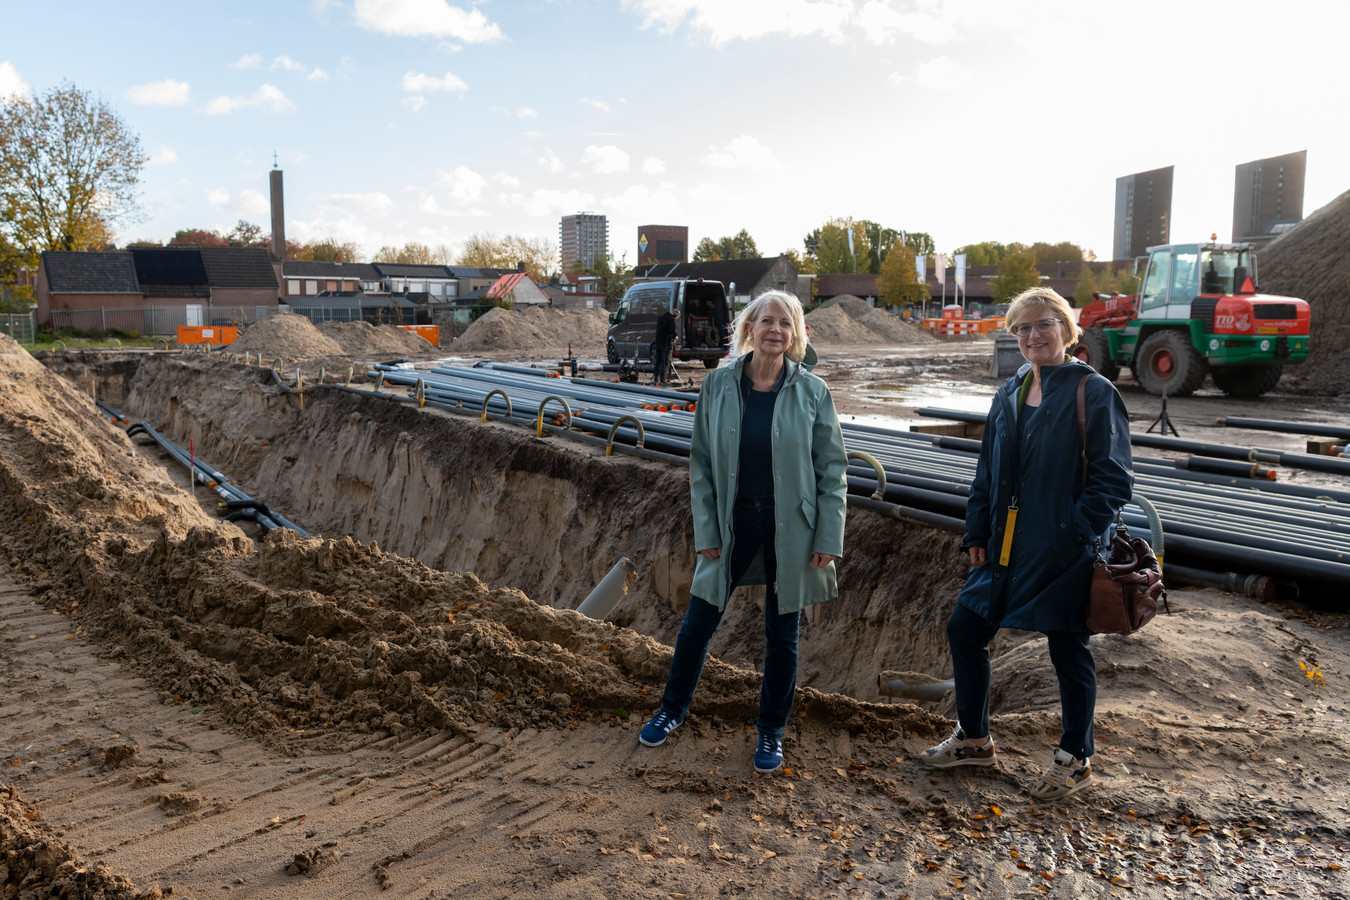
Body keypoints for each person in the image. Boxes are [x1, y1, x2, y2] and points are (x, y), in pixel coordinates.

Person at [920, 286, 1132, 801]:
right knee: (965, 628)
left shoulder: (1093, 391)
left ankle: (1076, 758)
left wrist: (1075, 532)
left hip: (1064, 551)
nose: (1033, 336)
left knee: (1067, 648)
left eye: (1044, 325)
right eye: (1023, 328)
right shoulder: (1010, 390)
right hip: (1005, 547)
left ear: (1067, 329)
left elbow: (1113, 480)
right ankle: (973, 738)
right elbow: (987, 468)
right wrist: (976, 529)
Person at [638, 289, 848, 773]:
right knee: (697, 625)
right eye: (766, 321)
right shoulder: (718, 385)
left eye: (786, 323)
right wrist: (706, 529)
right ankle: (671, 710)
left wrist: (827, 538)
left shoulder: (812, 391)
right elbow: (702, 466)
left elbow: (832, 471)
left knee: (783, 633)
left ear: (795, 335)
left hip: (791, 527)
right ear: (748, 328)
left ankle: (771, 732)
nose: (775, 330)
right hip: (733, 524)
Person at [653, 307, 677, 386]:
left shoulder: (660, 318)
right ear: (675, 315)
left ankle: (656, 378)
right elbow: (671, 330)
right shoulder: (671, 319)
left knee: (658, 360)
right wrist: (675, 336)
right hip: (666, 343)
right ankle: (663, 379)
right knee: (664, 361)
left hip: (658, 342)